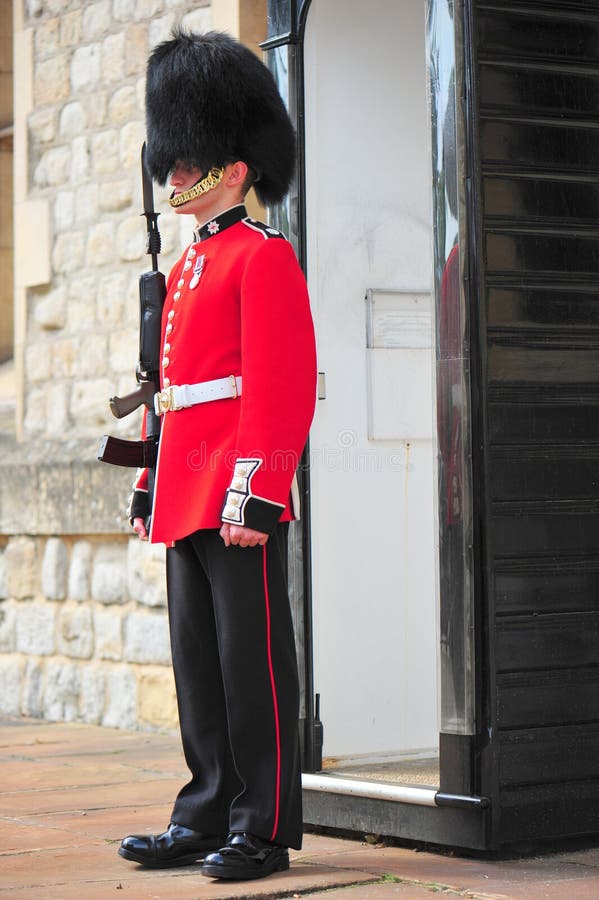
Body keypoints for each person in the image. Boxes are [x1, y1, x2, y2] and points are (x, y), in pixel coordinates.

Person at [117, 30, 317, 882]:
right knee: (198, 663)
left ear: (233, 168)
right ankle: (204, 810)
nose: (172, 177)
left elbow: (282, 385)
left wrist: (258, 492)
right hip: (184, 483)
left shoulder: (261, 258)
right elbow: (169, 389)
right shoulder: (191, 261)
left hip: (234, 485)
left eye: (187, 161)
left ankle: (262, 824)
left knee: (252, 663)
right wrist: (147, 474)